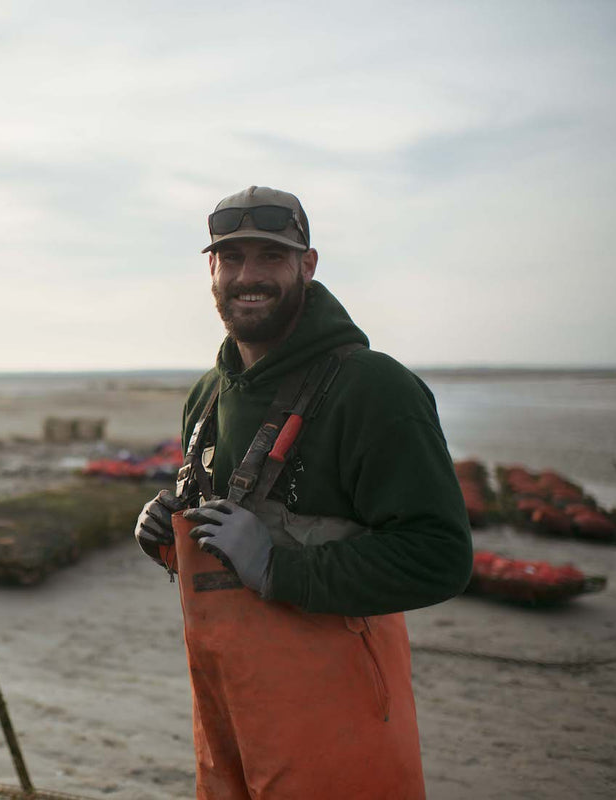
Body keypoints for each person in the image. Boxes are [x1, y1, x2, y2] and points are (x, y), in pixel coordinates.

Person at [134, 186, 473, 799]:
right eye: (231, 257)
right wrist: (168, 538)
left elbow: (439, 556)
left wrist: (278, 568)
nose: (248, 276)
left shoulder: (374, 388)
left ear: (307, 265)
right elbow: (223, 557)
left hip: (339, 725)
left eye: (271, 256)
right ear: (211, 270)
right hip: (224, 718)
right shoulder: (207, 395)